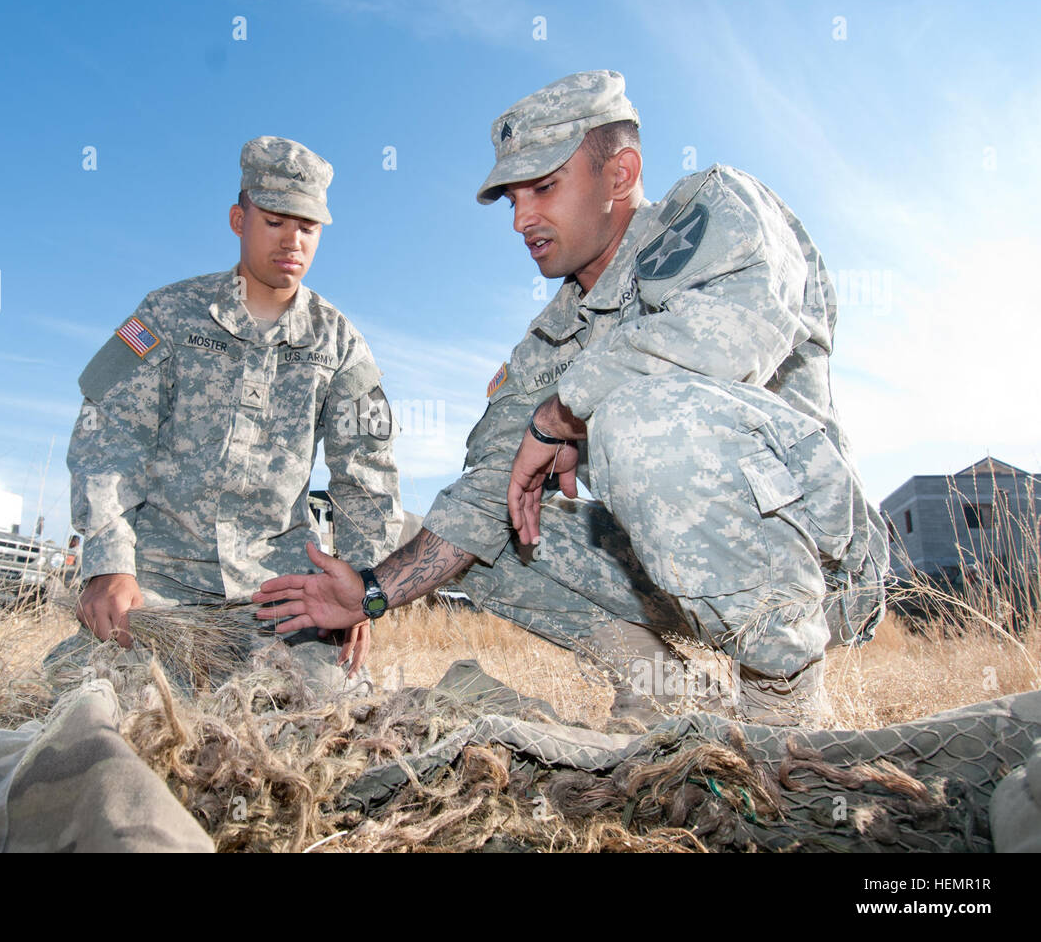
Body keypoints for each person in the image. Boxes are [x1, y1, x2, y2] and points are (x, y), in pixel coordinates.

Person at [254, 72, 888, 728]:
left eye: (544, 187)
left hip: (819, 557)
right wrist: (373, 593)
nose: (523, 218)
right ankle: (663, 685)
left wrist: (566, 410)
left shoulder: (711, 211)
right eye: (512, 199)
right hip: (671, 568)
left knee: (637, 418)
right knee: (462, 528)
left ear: (621, 173)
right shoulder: (550, 343)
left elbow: (731, 336)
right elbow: (481, 499)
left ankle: (785, 705)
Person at [51, 135, 403, 695]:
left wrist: (364, 585)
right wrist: (109, 562)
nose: (293, 240)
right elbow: (110, 439)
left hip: (282, 593)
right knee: (90, 698)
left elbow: (368, 476)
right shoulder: (169, 314)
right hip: (161, 579)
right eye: (275, 220)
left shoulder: (338, 343)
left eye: (308, 227)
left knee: (328, 717)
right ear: (239, 219)